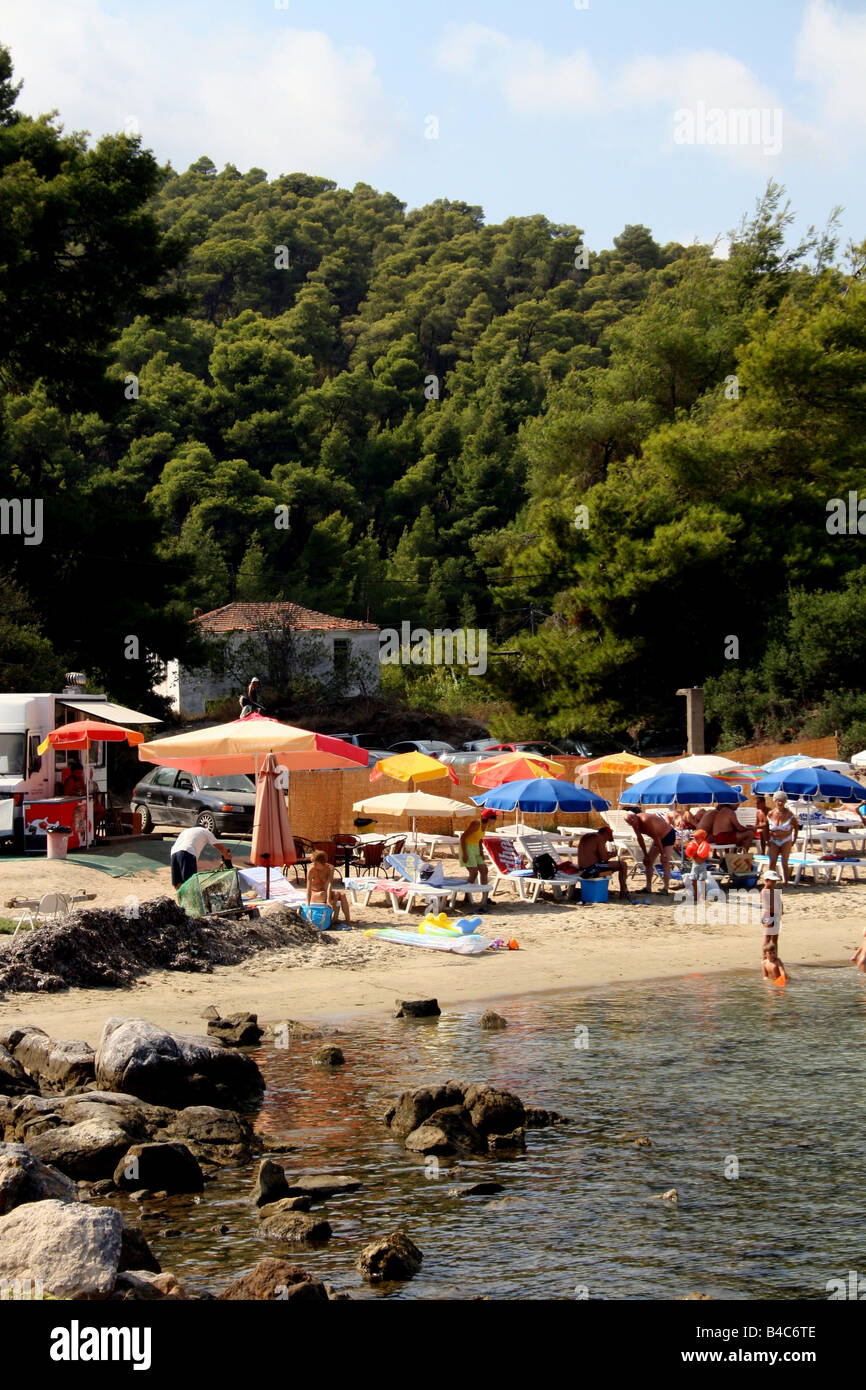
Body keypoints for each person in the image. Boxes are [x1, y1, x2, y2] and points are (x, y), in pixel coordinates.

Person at [625, 810, 676, 892]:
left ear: (635, 818)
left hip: (668, 835)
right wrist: (645, 855)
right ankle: (648, 887)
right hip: (658, 838)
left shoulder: (645, 820)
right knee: (648, 861)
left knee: (665, 861)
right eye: (630, 824)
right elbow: (640, 839)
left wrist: (663, 853)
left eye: (633, 823)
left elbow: (656, 837)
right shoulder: (633, 823)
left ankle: (665, 888)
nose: (633, 825)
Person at [170, 824, 233, 892]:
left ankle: (181, 901)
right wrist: (227, 858)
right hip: (187, 852)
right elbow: (220, 847)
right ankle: (190, 901)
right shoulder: (204, 831)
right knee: (190, 883)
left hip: (173, 853)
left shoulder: (185, 831)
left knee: (177, 883)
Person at [576, 827, 632, 899]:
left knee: (608, 870)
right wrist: (612, 854)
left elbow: (596, 857)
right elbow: (604, 858)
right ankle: (623, 892)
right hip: (591, 872)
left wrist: (607, 854)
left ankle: (605, 889)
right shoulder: (599, 838)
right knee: (623, 865)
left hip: (581, 871)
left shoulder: (588, 836)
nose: (606, 841)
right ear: (606, 834)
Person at [306, 848, 352, 925]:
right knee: (323, 894)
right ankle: (330, 918)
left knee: (342, 895)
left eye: (316, 863)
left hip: (325, 891)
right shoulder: (311, 870)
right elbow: (308, 889)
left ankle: (348, 922)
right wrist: (307, 905)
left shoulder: (330, 868)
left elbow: (329, 884)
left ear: (322, 863)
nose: (313, 865)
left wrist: (328, 900)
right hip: (315, 893)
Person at [767, 792, 799, 883]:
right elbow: (766, 827)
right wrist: (767, 839)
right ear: (775, 801)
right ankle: (771, 881)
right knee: (772, 862)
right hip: (774, 840)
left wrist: (794, 839)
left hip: (786, 839)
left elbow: (796, 827)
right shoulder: (770, 814)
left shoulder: (789, 815)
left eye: (782, 801)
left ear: (785, 802)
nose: (780, 803)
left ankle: (785, 882)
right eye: (778, 801)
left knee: (784, 862)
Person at [760, 869, 786, 983]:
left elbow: (780, 902)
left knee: (775, 937)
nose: (774, 883)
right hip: (768, 915)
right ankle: (765, 958)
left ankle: (774, 956)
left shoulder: (774, 891)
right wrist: (776, 911)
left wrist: (781, 910)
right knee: (767, 937)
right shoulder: (764, 891)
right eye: (772, 881)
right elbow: (767, 906)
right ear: (766, 880)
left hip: (775, 914)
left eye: (775, 881)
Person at [684, 827, 711, 902]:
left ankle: (702, 895)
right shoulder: (693, 845)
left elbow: (705, 856)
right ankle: (696, 894)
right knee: (693, 880)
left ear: (702, 838)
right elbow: (689, 855)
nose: (695, 839)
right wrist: (693, 852)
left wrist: (700, 853)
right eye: (694, 838)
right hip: (694, 864)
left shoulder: (704, 846)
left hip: (702, 865)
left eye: (697, 838)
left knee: (702, 880)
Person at [459, 817, 489, 884]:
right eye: (494, 818)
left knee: (484, 870)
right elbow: (463, 837)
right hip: (468, 848)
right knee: (474, 873)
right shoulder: (476, 823)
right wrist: (464, 853)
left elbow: (480, 840)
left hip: (476, 849)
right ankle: (467, 893)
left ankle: (484, 893)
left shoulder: (485, 826)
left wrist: (481, 851)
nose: (495, 820)